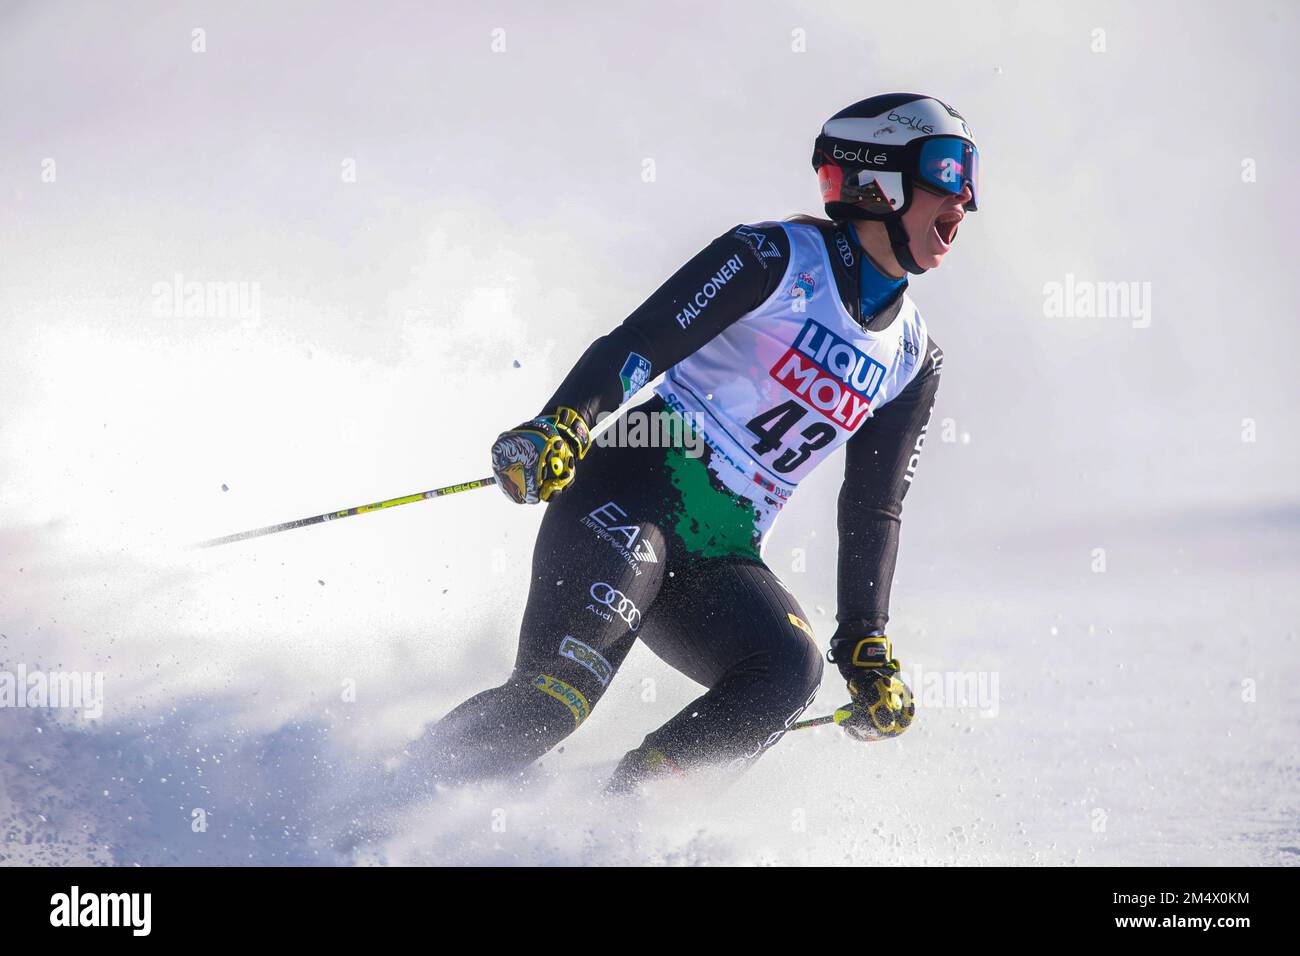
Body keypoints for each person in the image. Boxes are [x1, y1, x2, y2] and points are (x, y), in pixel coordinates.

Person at [415, 92, 980, 791]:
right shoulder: (776, 255)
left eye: (971, 177)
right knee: (551, 702)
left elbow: (873, 508)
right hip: (631, 497)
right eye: (949, 173)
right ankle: (390, 788)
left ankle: (612, 827)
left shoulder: (913, 358)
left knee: (786, 669)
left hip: (721, 552)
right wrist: (564, 420)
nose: (966, 203)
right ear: (879, 178)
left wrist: (866, 644)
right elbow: (643, 342)